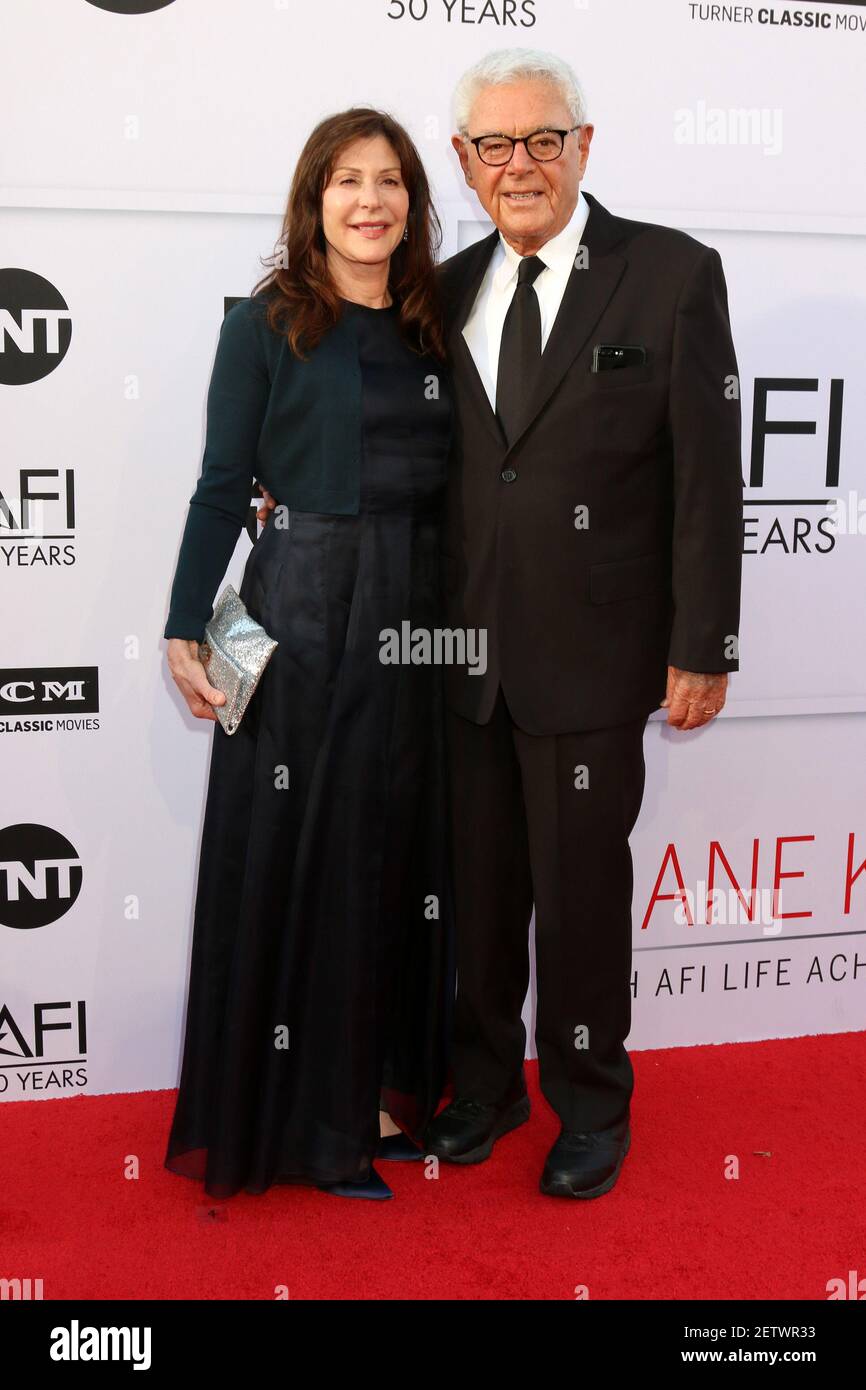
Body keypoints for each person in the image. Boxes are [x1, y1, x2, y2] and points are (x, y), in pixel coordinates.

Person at [262, 49, 743, 1199]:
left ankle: (589, 1105)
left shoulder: (669, 274)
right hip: (457, 659)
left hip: (593, 652)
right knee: (473, 894)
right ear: (464, 164)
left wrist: (702, 642)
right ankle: (481, 1091)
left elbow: (706, 481)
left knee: (578, 898)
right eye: (491, 146)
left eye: (539, 141)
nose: (515, 164)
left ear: (583, 146)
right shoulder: (447, 282)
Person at [162, 108, 455, 1201]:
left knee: (396, 857)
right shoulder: (268, 323)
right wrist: (187, 622)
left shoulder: (440, 321)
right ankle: (300, 1121)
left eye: (389, 181)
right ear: (314, 197)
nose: (369, 200)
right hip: (305, 615)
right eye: (346, 179)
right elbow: (218, 485)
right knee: (307, 855)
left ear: (414, 205)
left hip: (419, 626)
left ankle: (380, 1092)